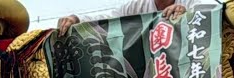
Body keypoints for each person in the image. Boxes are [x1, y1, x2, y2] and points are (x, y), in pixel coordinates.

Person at [59, 0, 193, 32]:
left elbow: (204, 12)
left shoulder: (191, 3)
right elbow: (109, 18)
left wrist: (186, 13)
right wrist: (77, 19)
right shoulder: (137, 6)